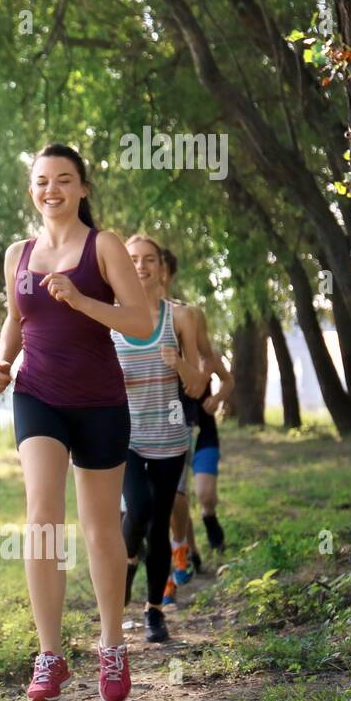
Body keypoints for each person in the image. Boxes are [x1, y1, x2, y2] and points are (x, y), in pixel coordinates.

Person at [0, 144, 153, 701]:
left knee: (101, 528)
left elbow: (141, 321)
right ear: (31, 188)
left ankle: (111, 647)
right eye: (41, 180)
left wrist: (84, 301)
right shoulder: (19, 253)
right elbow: (16, 318)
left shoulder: (103, 246)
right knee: (41, 516)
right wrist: (3, 360)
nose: (51, 189)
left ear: (83, 188)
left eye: (63, 179)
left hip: (100, 401)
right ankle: (51, 654)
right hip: (38, 395)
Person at [112, 236, 207, 642]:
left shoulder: (180, 318)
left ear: (160, 268)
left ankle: (154, 612)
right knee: (138, 509)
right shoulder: (109, 318)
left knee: (159, 525)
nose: (140, 266)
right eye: (131, 259)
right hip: (125, 437)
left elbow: (200, 385)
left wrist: (180, 363)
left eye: (148, 259)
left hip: (170, 438)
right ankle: (123, 575)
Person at [157, 248, 232, 602]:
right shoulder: (152, 328)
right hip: (170, 422)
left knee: (199, 494)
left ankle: (204, 525)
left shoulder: (199, 341)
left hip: (201, 429)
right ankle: (187, 550)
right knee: (176, 494)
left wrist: (216, 398)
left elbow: (223, 381)